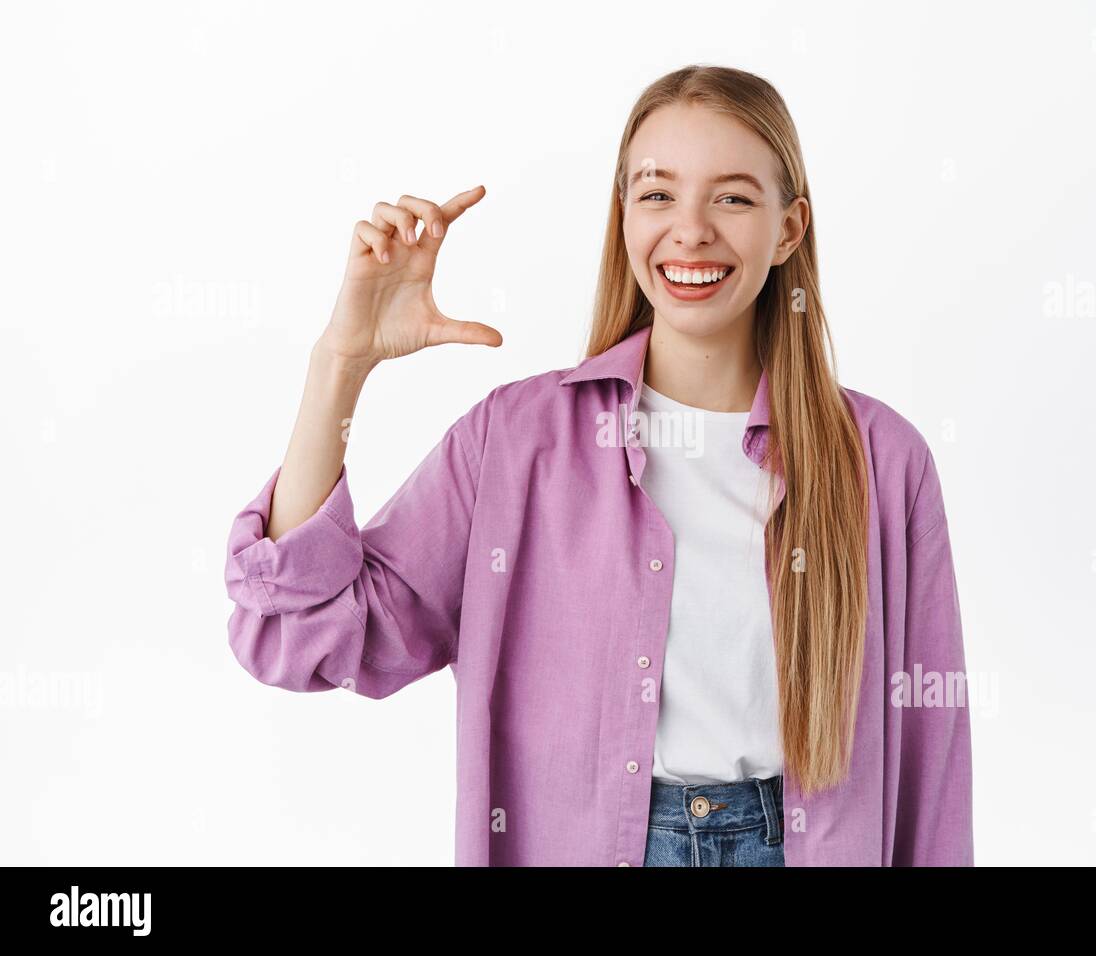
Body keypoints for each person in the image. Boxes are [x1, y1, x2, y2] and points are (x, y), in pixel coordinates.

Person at [224, 64, 973, 867]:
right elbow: (301, 637)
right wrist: (341, 363)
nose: (690, 230)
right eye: (657, 195)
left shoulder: (884, 463)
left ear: (788, 230)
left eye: (732, 197)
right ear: (623, 217)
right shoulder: (515, 443)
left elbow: (931, 771)